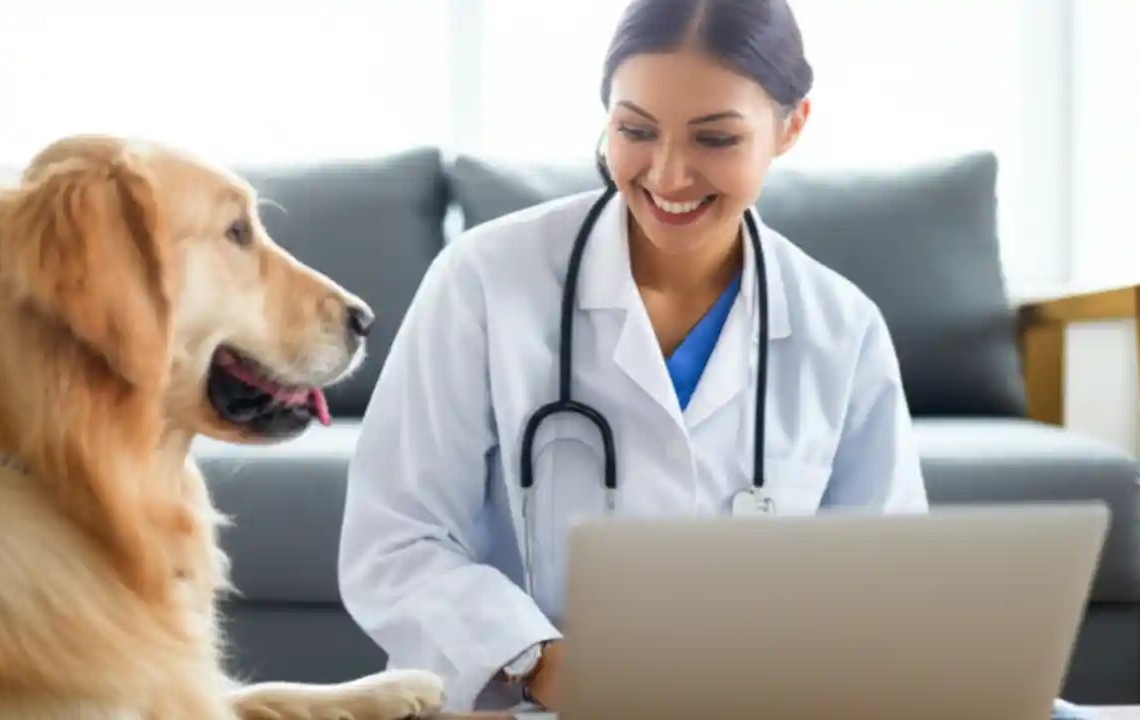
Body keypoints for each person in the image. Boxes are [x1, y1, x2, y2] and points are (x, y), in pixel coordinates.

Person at [337, 0, 928, 712]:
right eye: (635, 131)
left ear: (790, 127)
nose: (669, 176)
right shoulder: (485, 281)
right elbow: (396, 540)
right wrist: (543, 664)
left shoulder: (842, 327)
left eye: (715, 139)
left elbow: (883, 584)